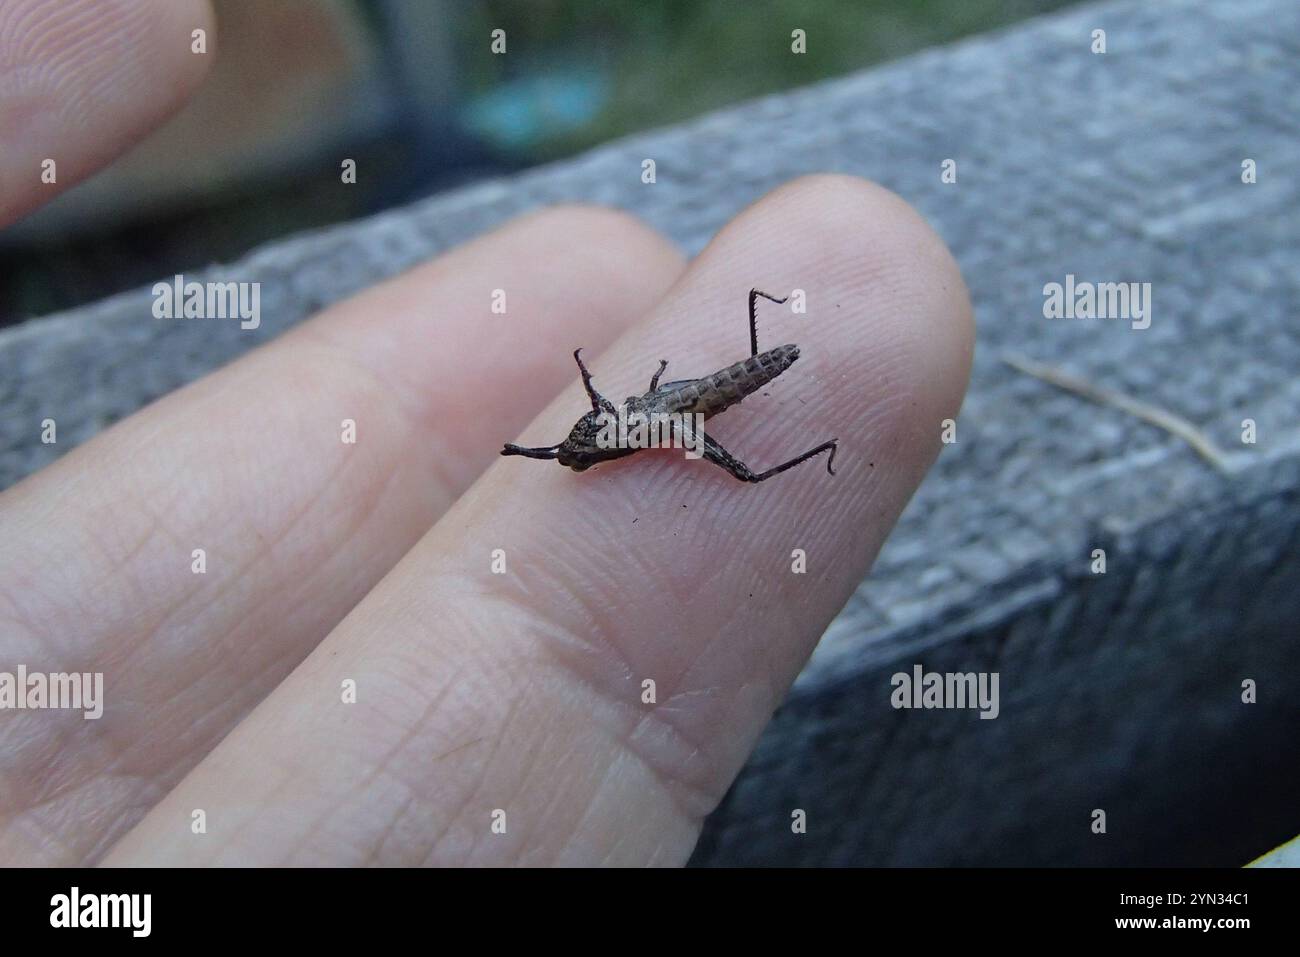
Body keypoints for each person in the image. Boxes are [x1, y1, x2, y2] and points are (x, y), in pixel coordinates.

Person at [0, 0, 972, 866]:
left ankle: (811, 426)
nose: (577, 452)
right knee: (703, 437)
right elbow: (583, 432)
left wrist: (586, 421)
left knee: (738, 454)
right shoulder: (603, 437)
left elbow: (592, 426)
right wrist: (571, 428)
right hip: (670, 407)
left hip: (689, 403)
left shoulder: (616, 431)